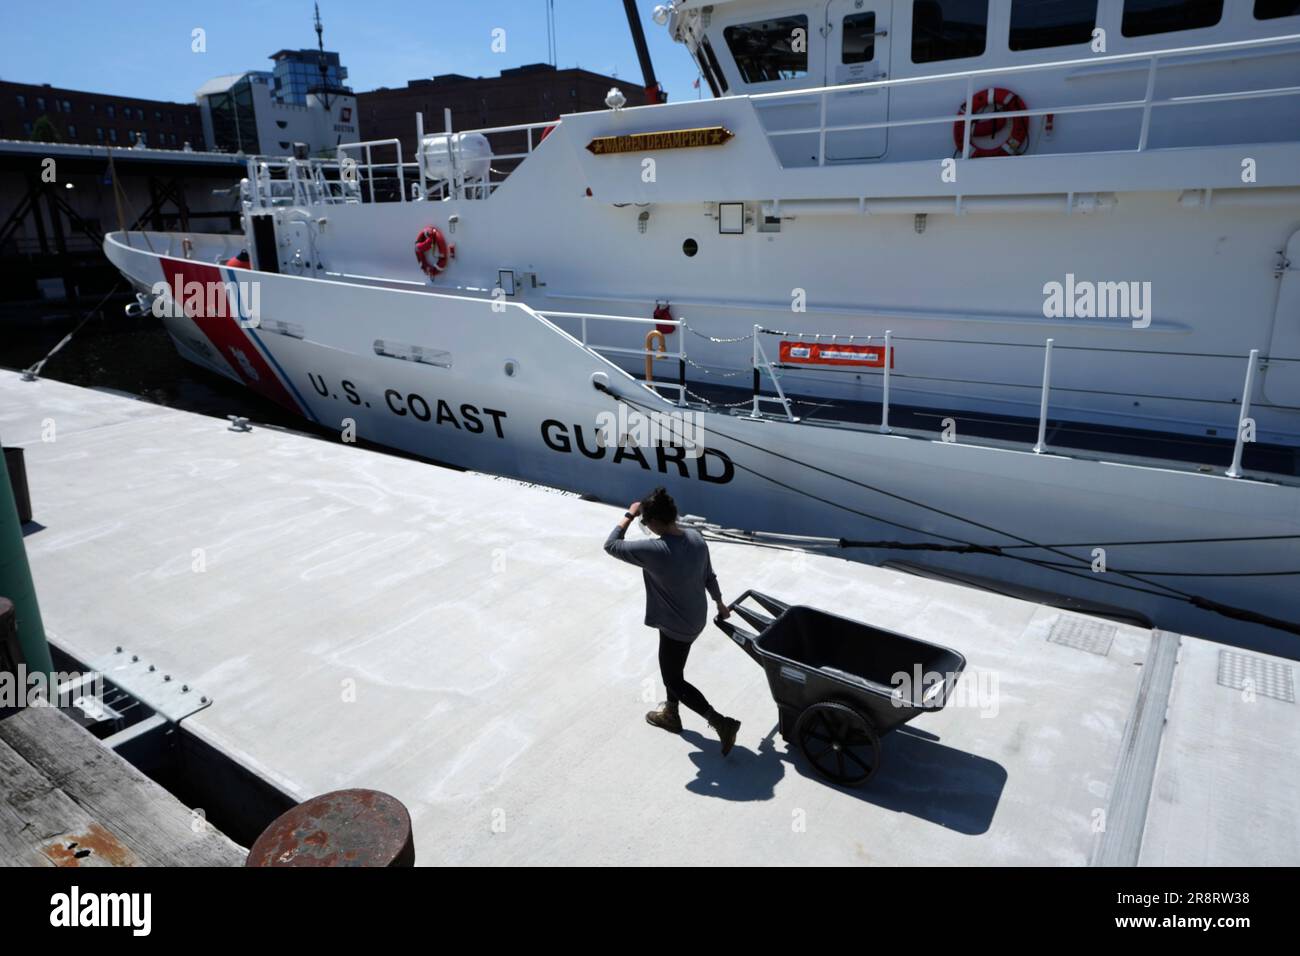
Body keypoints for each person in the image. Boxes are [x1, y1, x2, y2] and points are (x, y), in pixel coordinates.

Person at [604, 487, 742, 755]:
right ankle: (671, 714)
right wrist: (720, 603)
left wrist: (629, 515)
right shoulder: (696, 538)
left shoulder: (656, 549)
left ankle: (720, 722)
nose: (647, 526)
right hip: (694, 616)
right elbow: (709, 576)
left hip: (676, 625)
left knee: (673, 678)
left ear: (655, 522)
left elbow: (610, 545)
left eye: (647, 522)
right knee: (673, 667)